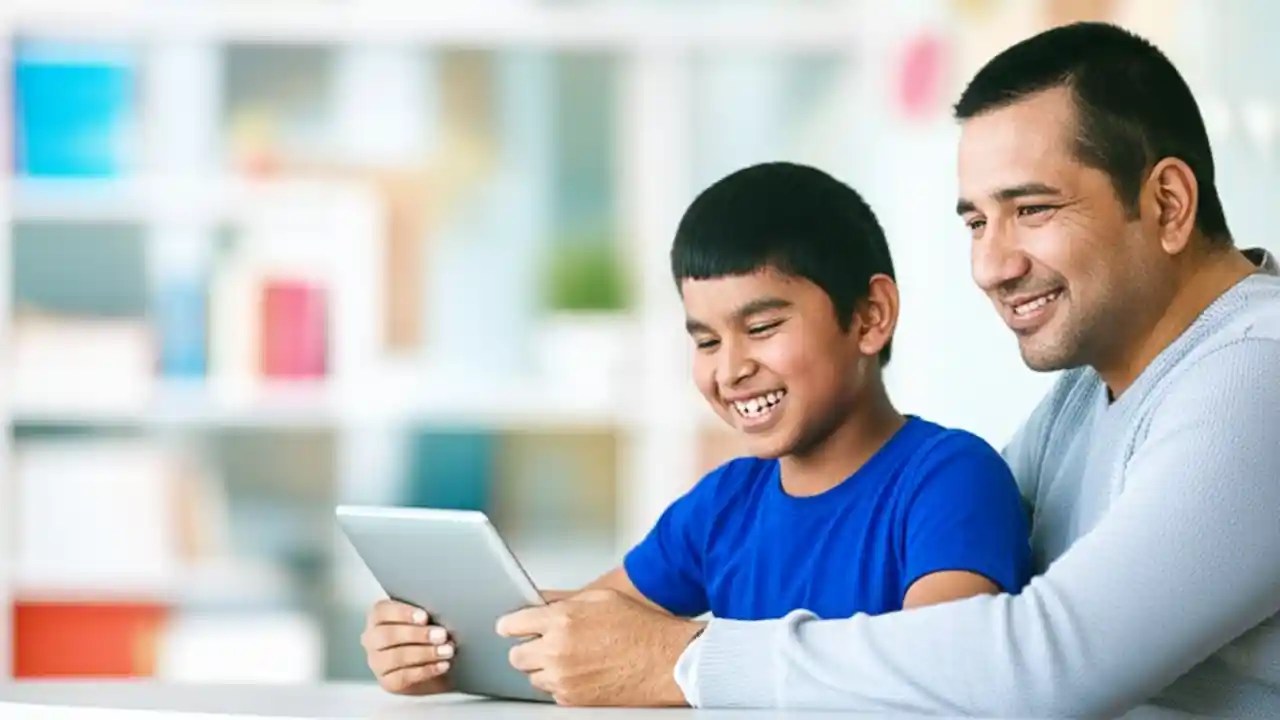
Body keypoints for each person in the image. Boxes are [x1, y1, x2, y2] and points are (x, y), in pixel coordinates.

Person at [488, 21, 1280, 718]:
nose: (992, 265)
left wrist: (676, 660)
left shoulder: (1255, 376)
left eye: (1032, 209)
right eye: (976, 220)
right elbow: (926, 619)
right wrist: (506, 635)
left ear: (1170, 204)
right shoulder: (1099, 384)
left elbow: (1041, 668)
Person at [360, 162, 1034, 701]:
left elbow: (946, 676)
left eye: (763, 327)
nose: (732, 368)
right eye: (706, 339)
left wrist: (674, 656)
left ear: (869, 316)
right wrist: (446, 648)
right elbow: (592, 633)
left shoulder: (950, 479)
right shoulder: (726, 504)